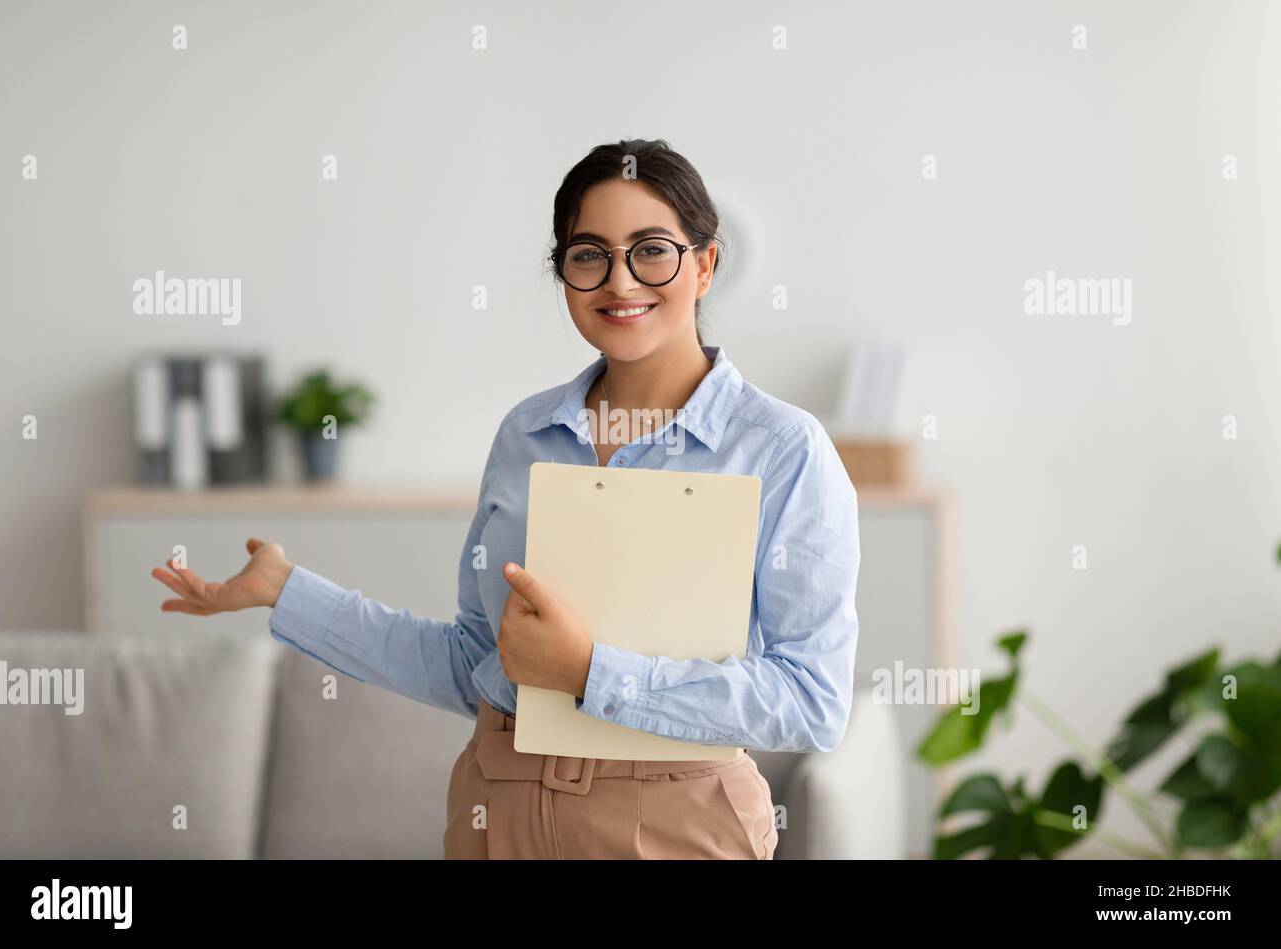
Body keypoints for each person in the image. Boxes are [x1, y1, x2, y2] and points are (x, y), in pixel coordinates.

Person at [151, 138, 861, 860]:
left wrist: (589, 672)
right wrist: (287, 592)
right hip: (500, 810)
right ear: (564, 275)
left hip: (679, 820)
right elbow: (472, 662)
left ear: (705, 264)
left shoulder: (782, 450)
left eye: (651, 250)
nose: (620, 281)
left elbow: (812, 699)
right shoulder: (526, 434)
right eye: (589, 254)